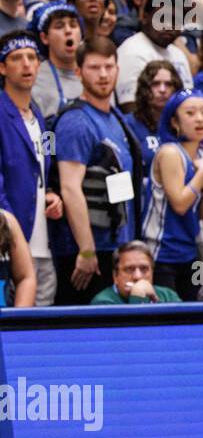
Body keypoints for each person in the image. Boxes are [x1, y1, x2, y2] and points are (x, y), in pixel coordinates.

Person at [51, 38, 141, 305]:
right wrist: (87, 250)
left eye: (108, 66)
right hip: (86, 253)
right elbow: (70, 187)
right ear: (78, 72)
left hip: (115, 245)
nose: (103, 75)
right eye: (93, 67)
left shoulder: (115, 117)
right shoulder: (76, 122)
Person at [0, 29, 61, 305]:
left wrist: (49, 193)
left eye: (31, 57)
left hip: (43, 240)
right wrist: (10, 231)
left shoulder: (37, 113)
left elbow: (41, 167)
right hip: (12, 241)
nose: (26, 64)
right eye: (16, 58)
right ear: (2, 67)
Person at [139, 88, 203, 301]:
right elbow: (180, 204)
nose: (200, 119)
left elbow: (201, 213)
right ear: (174, 122)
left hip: (192, 253)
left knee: (197, 306)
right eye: (190, 113)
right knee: (167, 313)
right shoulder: (170, 153)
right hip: (163, 253)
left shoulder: (201, 154)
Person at [91, 239, 183, 304]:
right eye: (129, 269)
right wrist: (138, 296)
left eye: (144, 269)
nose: (137, 276)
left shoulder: (168, 296)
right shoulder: (103, 302)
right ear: (115, 275)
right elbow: (136, 331)